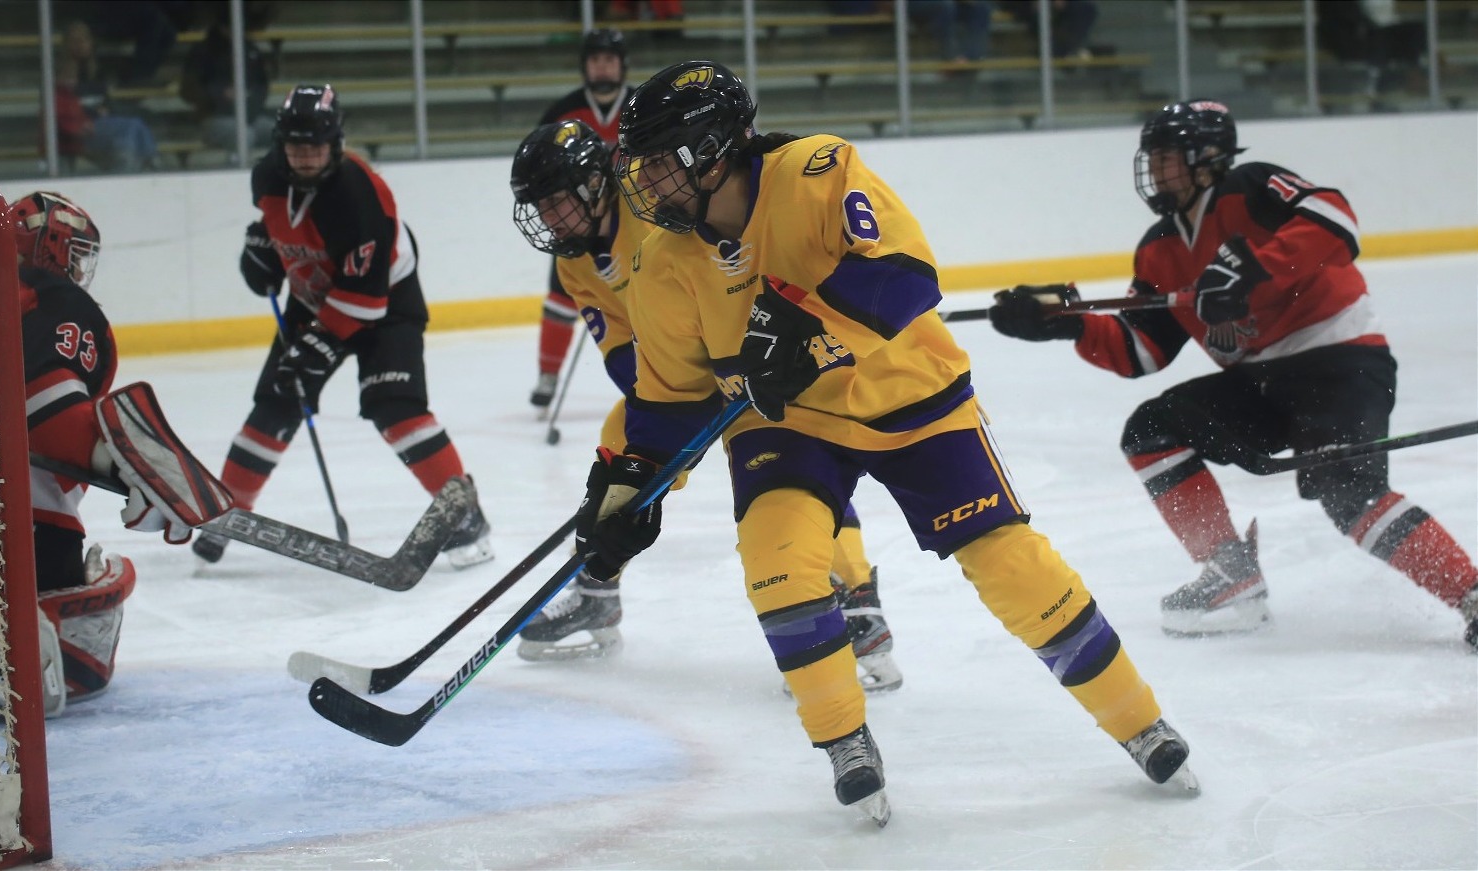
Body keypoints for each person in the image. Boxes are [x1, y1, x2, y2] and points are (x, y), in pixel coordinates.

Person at [575, 60, 1198, 824]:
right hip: (787, 424)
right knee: (778, 564)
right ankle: (843, 739)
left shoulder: (816, 170)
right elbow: (673, 399)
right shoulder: (661, 260)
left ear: (714, 148)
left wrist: (803, 329)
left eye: (661, 162)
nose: (645, 185)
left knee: (1009, 563)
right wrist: (634, 479)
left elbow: (907, 274)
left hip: (907, 389)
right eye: (638, 166)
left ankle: (1139, 720)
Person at [987, 99, 1478, 648]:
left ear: (1207, 158)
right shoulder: (1159, 248)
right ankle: (1231, 571)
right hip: (1258, 382)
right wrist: (1070, 326)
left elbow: (1336, 219)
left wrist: (1254, 267)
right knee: (1152, 429)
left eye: (1167, 157)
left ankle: (1471, 594)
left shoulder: (1252, 185)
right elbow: (1141, 350)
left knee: (1348, 491)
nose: (1155, 169)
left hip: (1337, 359)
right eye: (1152, 157)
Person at [506, 120, 903, 692]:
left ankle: (857, 604)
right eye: (538, 208)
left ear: (594, 185)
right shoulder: (574, 263)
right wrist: (683, 382)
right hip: (689, 373)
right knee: (620, 448)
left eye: (555, 203)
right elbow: (621, 353)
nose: (548, 219)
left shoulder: (658, 203)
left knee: (797, 470)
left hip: (768, 360)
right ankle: (597, 587)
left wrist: (752, 354)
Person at [0, 191, 223, 717]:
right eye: (78, 254)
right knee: (93, 625)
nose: (81, 270)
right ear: (53, 247)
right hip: (7, 532)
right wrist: (131, 470)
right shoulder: (58, 299)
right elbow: (51, 414)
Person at [189, 84, 492, 570]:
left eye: (316, 147)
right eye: (296, 147)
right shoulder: (267, 176)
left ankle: (464, 513)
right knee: (277, 399)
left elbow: (367, 298)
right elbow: (279, 246)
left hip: (386, 304)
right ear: (280, 144)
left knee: (395, 409)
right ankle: (228, 511)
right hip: (314, 297)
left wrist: (319, 345)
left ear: (335, 143)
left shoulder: (359, 195)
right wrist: (261, 261)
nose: (305, 158)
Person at [526, 29, 636, 410]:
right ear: (584, 66)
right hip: (576, 220)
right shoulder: (561, 112)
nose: (602, 66)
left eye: (609, 59)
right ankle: (547, 374)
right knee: (561, 294)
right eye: (595, 60)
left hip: (631, 218)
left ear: (622, 65)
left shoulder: (642, 105)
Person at [55, 21, 161, 173]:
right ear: (66, 44)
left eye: (84, 40)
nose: (80, 45)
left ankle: (146, 161)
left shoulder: (97, 71)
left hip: (101, 122)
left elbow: (106, 102)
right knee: (131, 126)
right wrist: (93, 111)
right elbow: (66, 108)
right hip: (81, 129)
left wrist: (102, 110)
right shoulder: (60, 75)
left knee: (136, 123)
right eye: (75, 40)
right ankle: (138, 164)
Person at [179, 7, 276, 153]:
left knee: (278, 134)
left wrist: (251, 99)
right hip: (213, 118)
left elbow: (262, 86)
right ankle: (237, 167)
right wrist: (219, 95)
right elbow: (187, 90)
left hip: (251, 115)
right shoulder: (203, 51)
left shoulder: (250, 50)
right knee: (244, 136)